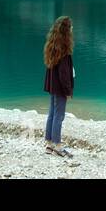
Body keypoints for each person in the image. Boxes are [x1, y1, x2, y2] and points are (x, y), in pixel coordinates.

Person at [42, 16, 75, 157]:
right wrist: (68, 90)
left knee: (52, 114)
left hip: (53, 86)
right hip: (60, 87)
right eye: (71, 27)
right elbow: (63, 74)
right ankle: (57, 146)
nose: (72, 29)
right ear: (66, 30)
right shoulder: (63, 49)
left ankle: (49, 144)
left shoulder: (53, 45)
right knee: (59, 116)